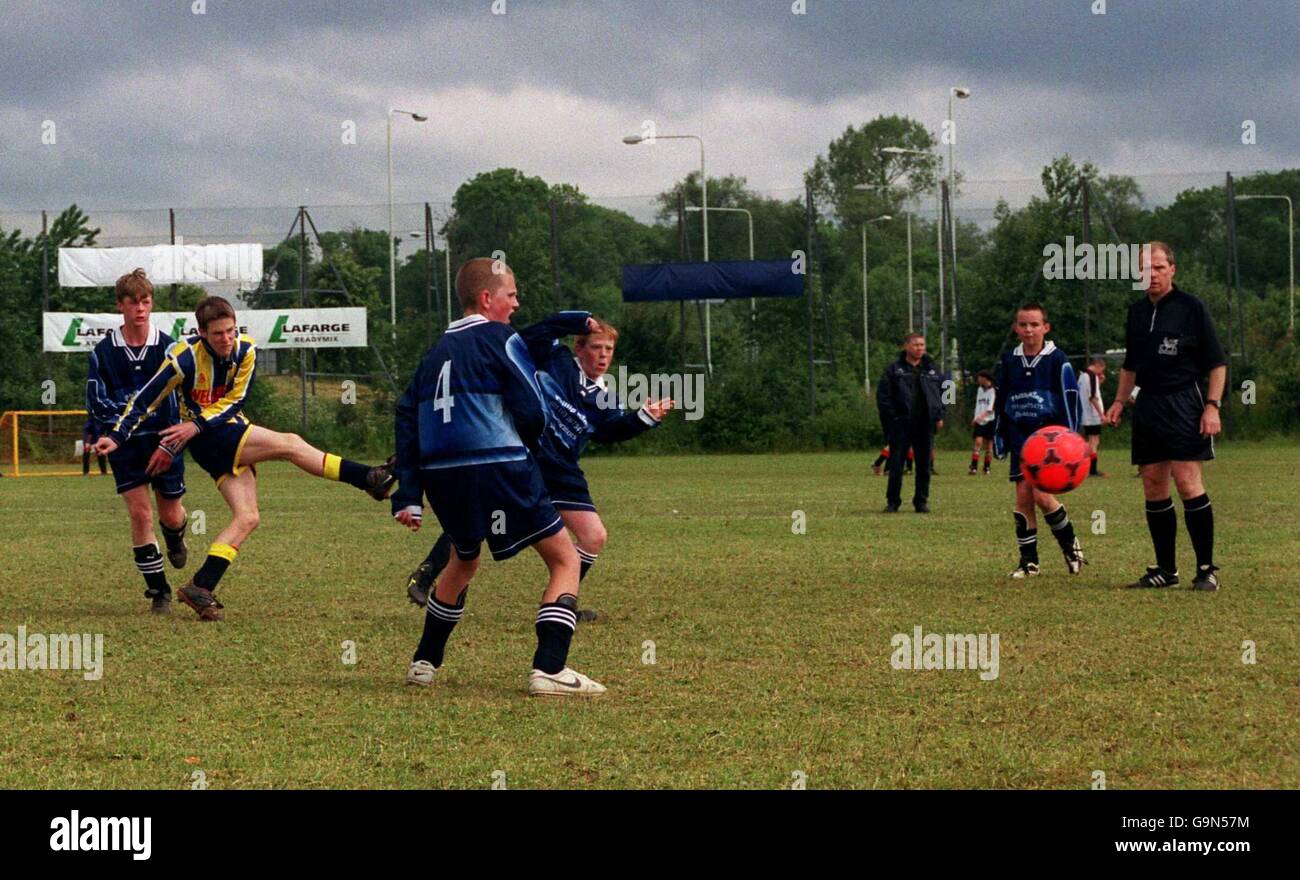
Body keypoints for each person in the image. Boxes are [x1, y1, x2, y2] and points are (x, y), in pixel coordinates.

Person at [94, 294, 394, 621]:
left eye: (231, 331)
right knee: (291, 444)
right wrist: (116, 436)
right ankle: (369, 478)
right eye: (218, 333)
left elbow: (235, 401)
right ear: (201, 333)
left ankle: (201, 586)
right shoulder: (183, 358)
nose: (226, 339)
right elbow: (145, 401)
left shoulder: (246, 350)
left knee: (248, 517)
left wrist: (193, 425)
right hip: (212, 438)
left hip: (220, 430)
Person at [391, 258, 604, 697]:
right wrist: (528, 444)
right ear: (487, 299)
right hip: (499, 464)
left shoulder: (432, 356)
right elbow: (531, 407)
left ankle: (424, 663)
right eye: (511, 295)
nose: (516, 304)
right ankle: (550, 668)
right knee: (564, 558)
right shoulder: (501, 338)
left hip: (441, 476)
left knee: (463, 560)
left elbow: (407, 416)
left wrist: (408, 494)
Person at [405, 313, 674, 622]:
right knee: (480, 520)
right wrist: (572, 320)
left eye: (608, 350)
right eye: (596, 347)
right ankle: (424, 575)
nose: (602, 356)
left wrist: (644, 418)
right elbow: (529, 338)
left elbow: (610, 430)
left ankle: (562, 601)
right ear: (578, 346)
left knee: (594, 536)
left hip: (562, 471)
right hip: (526, 455)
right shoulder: (556, 360)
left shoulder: (604, 397)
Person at [1105, 242, 1226, 591]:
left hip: (1184, 401)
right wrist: (1118, 401)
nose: (1152, 275)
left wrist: (1212, 406)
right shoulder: (1136, 313)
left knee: (1188, 482)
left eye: (1158, 267)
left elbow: (1217, 363)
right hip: (1148, 405)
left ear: (1172, 269)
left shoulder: (1192, 308)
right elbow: (1130, 365)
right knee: (1153, 484)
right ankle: (1166, 570)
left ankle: (1205, 570)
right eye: (1145, 269)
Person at [85, 269, 188, 614]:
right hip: (123, 444)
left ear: (151, 304)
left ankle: (175, 537)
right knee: (141, 515)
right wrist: (130, 416)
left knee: (171, 515)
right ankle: (159, 592)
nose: (140, 309)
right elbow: (97, 402)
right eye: (133, 302)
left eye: (145, 301)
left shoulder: (169, 346)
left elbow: (181, 394)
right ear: (121, 306)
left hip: (165, 440)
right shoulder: (103, 352)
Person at [993, 303, 1086, 579]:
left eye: (1034, 324)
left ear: (1046, 327)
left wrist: (1070, 438)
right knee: (1023, 496)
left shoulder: (1057, 359)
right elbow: (1001, 399)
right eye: (1023, 325)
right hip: (1021, 437)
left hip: (1051, 440)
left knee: (1043, 497)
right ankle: (1029, 562)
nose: (1028, 330)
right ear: (1016, 328)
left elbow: (1070, 399)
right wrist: (999, 432)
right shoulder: (1010, 361)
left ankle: (1071, 546)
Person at [876, 333, 945, 513]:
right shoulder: (894, 370)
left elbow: (949, 390)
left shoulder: (933, 369)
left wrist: (941, 413)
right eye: (916, 345)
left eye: (922, 345)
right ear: (906, 346)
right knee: (896, 465)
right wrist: (892, 417)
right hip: (901, 424)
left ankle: (921, 501)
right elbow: (883, 396)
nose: (920, 348)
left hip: (925, 424)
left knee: (923, 466)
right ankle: (893, 502)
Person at [1078, 356, 1107, 477]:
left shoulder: (1083, 376)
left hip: (1085, 414)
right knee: (1094, 441)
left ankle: (1089, 468)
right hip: (1092, 415)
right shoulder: (1092, 376)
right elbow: (1093, 397)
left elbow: (1090, 392)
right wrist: (1101, 415)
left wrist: (1099, 382)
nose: (1101, 373)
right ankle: (1092, 470)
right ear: (1098, 365)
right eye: (1102, 369)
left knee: (1091, 440)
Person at [968, 370, 997, 475]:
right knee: (978, 442)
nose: (978, 380)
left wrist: (981, 417)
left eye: (980, 378)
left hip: (990, 420)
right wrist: (975, 417)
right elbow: (978, 405)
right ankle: (973, 467)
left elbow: (990, 409)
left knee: (989, 445)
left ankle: (987, 467)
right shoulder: (979, 389)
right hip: (979, 421)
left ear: (985, 378)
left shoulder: (993, 390)